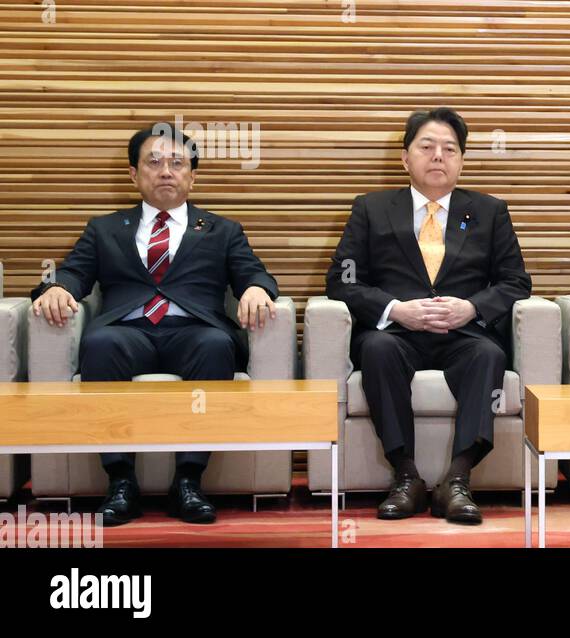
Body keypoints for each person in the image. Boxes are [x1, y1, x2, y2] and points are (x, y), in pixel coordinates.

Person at [29, 122, 280, 526]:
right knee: (99, 344)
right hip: (128, 332)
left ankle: (188, 481)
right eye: (154, 162)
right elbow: (73, 273)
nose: (166, 171)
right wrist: (56, 290)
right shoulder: (105, 228)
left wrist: (255, 289)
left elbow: (254, 273)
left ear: (192, 177)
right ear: (134, 174)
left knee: (216, 345)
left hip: (193, 332)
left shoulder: (223, 230)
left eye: (177, 163)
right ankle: (121, 482)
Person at [326, 108, 531, 524]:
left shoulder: (490, 212)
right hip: (397, 332)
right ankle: (406, 477)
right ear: (405, 158)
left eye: (449, 149)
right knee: (378, 350)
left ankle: (457, 480)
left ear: (461, 160)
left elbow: (515, 282)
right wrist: (395, 309)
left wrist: (471, 308)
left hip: (464, 333)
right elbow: (342, 281)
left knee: (489, 356)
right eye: (427, 147)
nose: (438, 156)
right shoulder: (372, 208)